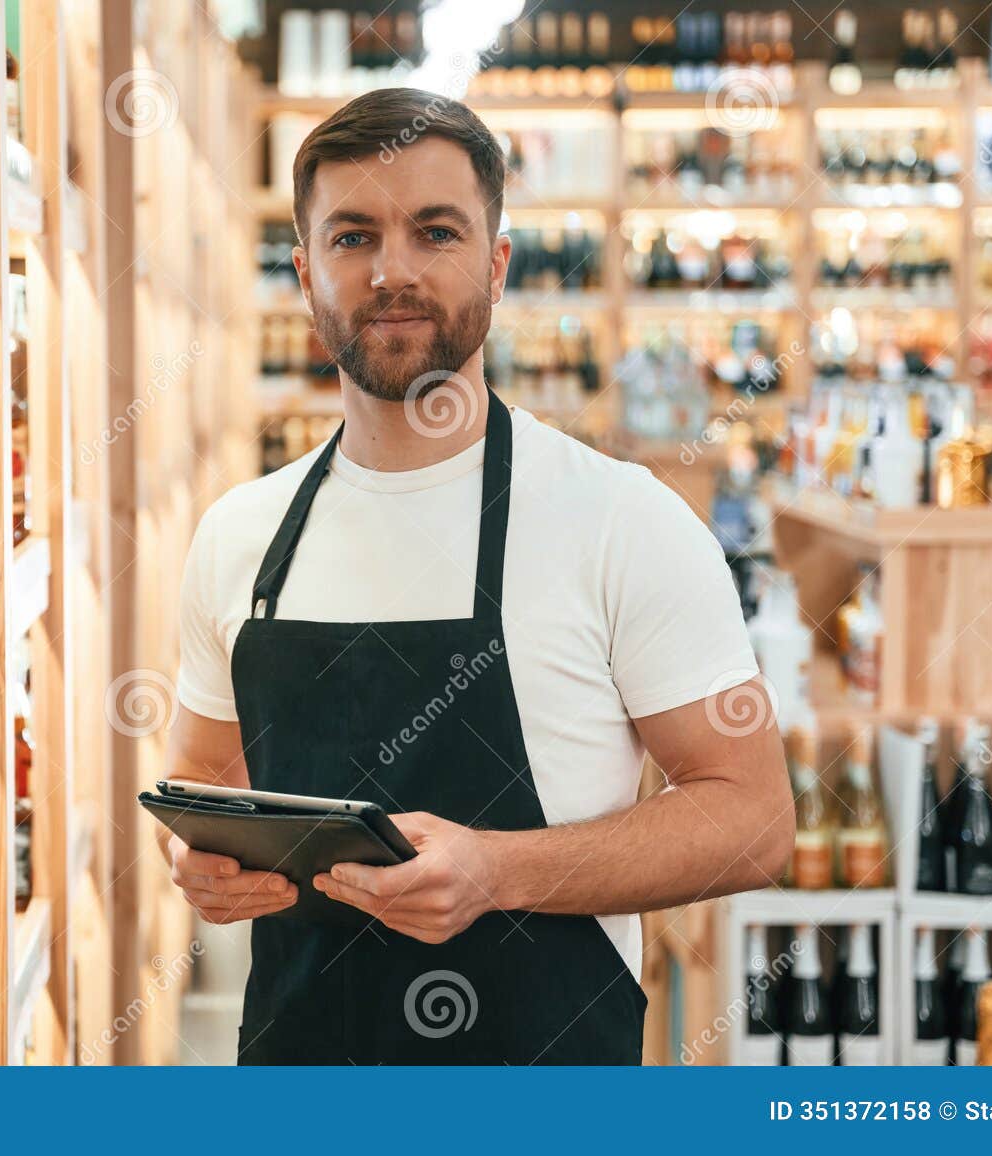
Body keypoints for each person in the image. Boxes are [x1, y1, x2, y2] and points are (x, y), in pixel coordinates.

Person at [159, 88, 792, 1064]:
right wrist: (193, 862)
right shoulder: (238, 537)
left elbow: (752, 818)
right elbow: (202, 778)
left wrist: (496, 870)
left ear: (496, 268)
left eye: (435, 231)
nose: (393, 269)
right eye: (353, 236)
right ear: (304, 273)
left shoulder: (620, 521)